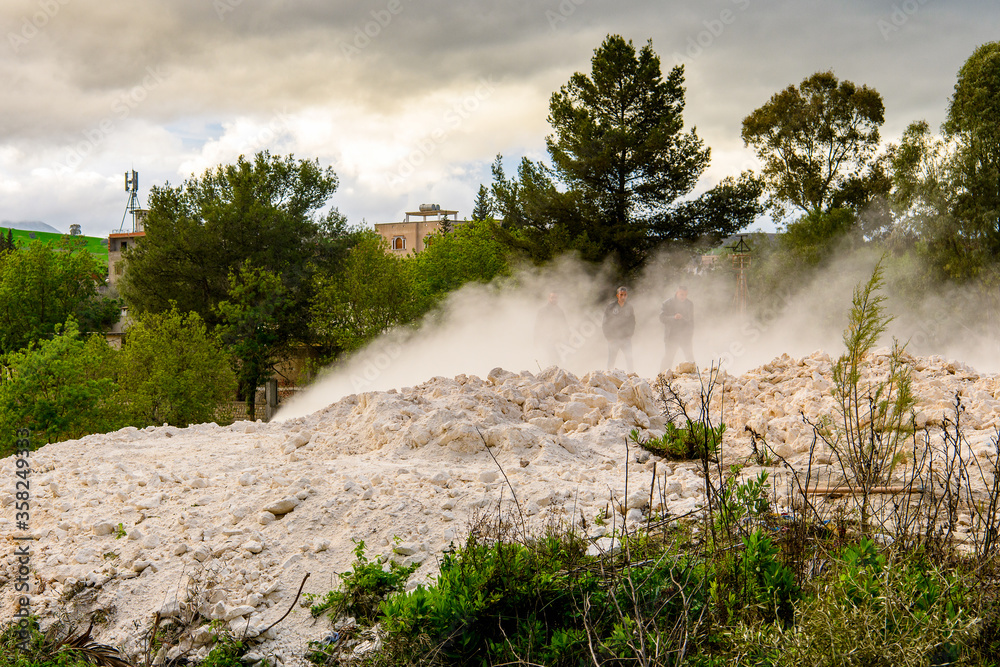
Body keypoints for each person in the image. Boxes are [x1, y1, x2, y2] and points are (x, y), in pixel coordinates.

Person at [660, 285, 694, 370]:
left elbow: (691, 321)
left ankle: (695, 376)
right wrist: (673, 317)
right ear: (677, 293)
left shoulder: (689, 304)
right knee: (668, 358)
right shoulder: (667, 303)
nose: (684, 297)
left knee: (690, 358)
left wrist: (690, 333)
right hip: (671, 336)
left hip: (685, 336)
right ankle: (662, 376)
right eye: (682, 294)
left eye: (685, 295)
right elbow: (662, 318)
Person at [603, 286, 635, 371]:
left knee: (629, 359)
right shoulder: (611, 307)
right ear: (617, 295)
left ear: (627, 295)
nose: (623, 297)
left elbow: (632, 322)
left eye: (625, 295)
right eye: (621, 295)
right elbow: (605, 323)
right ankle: (608, 375)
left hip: (625, 338)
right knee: (611, 359)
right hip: (614, 338)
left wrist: (630, 335)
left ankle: (631, 375)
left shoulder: (629, 307)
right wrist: (609, 337)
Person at [534, 291, 569, 367]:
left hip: (558, 339)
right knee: (548, 358)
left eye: (555, 297)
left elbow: (564, 325)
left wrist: (566, 337)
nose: (554, 299)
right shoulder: (542, 311)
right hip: (546, 339)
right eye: (552, 297)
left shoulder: (560, 311)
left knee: (558, 359)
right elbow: (538, 326)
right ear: (548, 298)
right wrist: (536, 339)